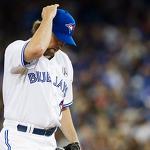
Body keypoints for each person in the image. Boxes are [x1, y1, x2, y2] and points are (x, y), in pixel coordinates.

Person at [0, 4, 80, 150]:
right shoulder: (16, 49)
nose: (62, 43)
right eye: (58, 37)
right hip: (19, 138)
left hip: (49, 142)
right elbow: (37, 49)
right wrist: (48, 17)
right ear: (45, 27)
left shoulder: (65, 62)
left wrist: (75, 142)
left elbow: (63, 107)